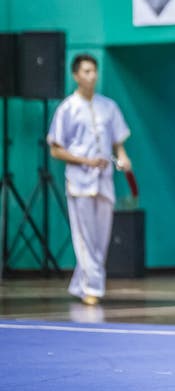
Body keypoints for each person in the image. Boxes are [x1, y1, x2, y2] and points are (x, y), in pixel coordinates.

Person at [47, 54, 131, 306]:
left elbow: (118, 141)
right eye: (86, 71)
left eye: (94, 70)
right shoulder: (67, 108)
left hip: (104, 180)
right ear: (76, 75)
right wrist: (85, 161)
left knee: (100, 237)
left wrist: (122, 157)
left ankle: (79, 283)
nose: (91, 75)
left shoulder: (109, 106)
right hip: (79, 182)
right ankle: (92, 288)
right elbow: (55, 148)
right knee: (84, 237)